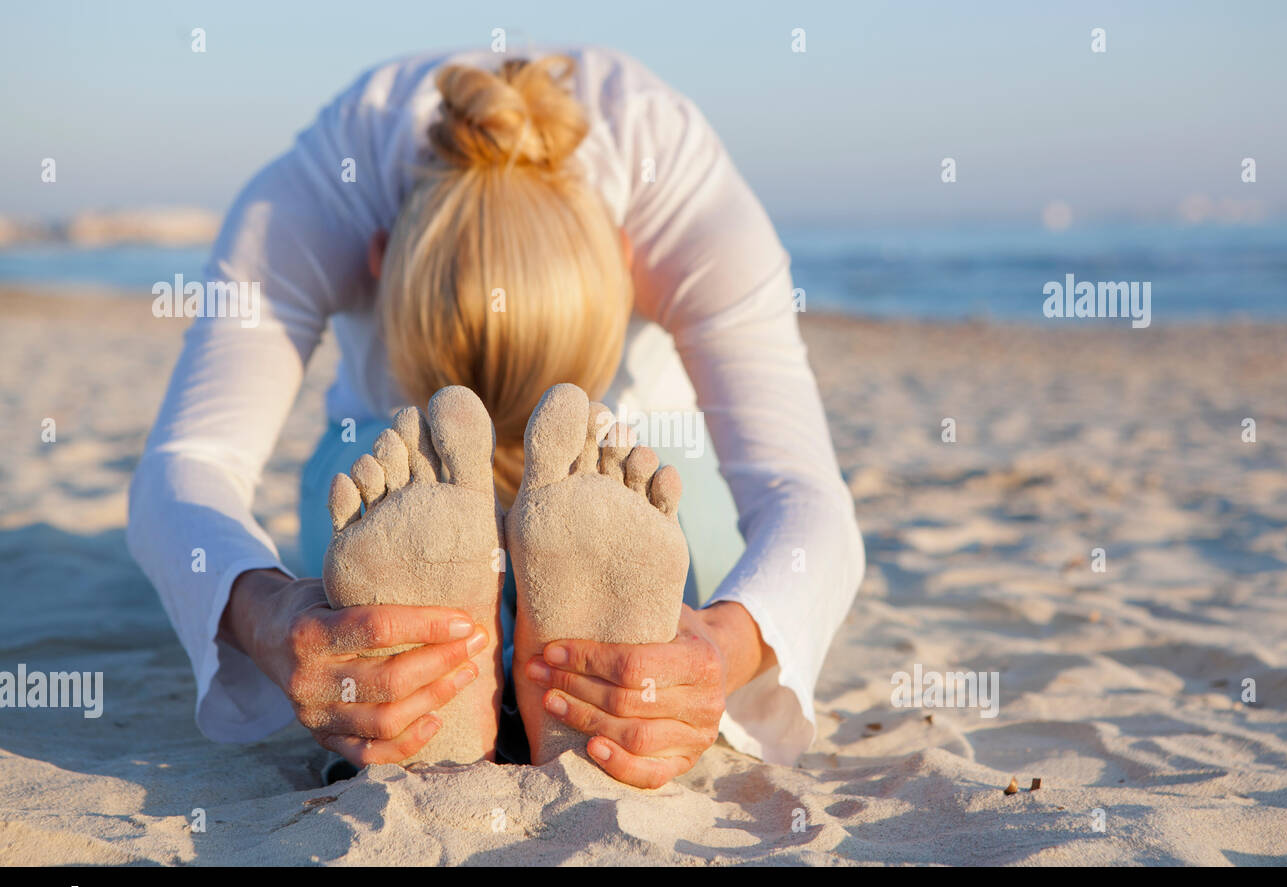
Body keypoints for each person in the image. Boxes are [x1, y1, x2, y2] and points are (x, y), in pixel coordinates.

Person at [127, 46, 863, 789]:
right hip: (427, 460)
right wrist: (280, 620)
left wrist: (718, 648)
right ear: (379, 262)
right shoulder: (328, 190)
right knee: (390, 528)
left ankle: (439, 681)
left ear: (626, 259)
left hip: (584, 454)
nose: (504, 485)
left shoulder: (672, 186)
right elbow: (187, 466)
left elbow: (801, 492)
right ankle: (541, 670)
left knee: (365, 535)